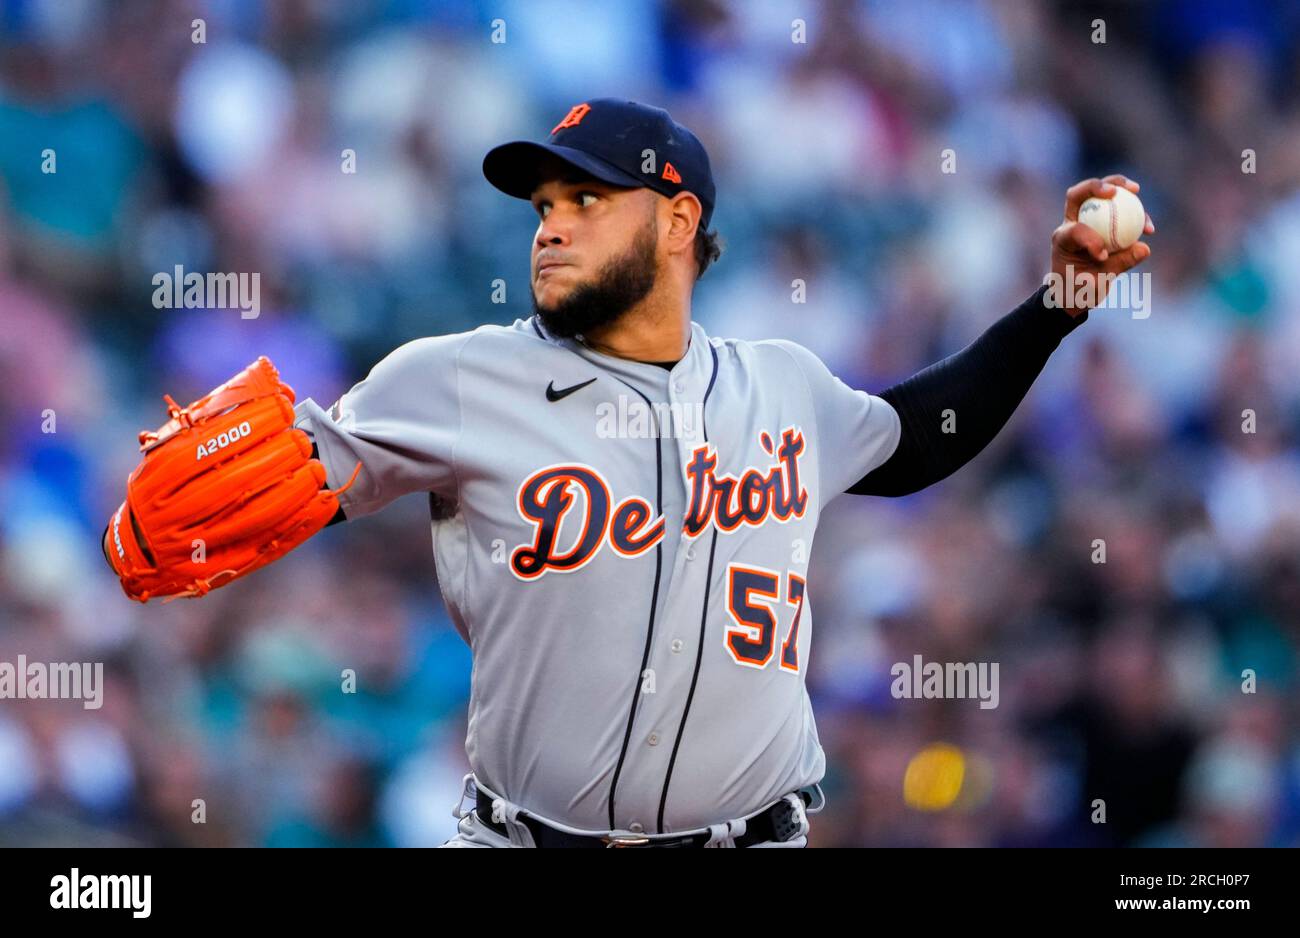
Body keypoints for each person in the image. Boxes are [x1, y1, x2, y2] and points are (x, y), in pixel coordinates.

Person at [107, 98, 1153, 848]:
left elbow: (920, 436)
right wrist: (183, 523)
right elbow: (278, 486)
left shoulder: (780, 385)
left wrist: (1056, 304)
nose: (550, 222)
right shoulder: (458, 378)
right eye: (541, 205)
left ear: (678, 221)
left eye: (586, 199)